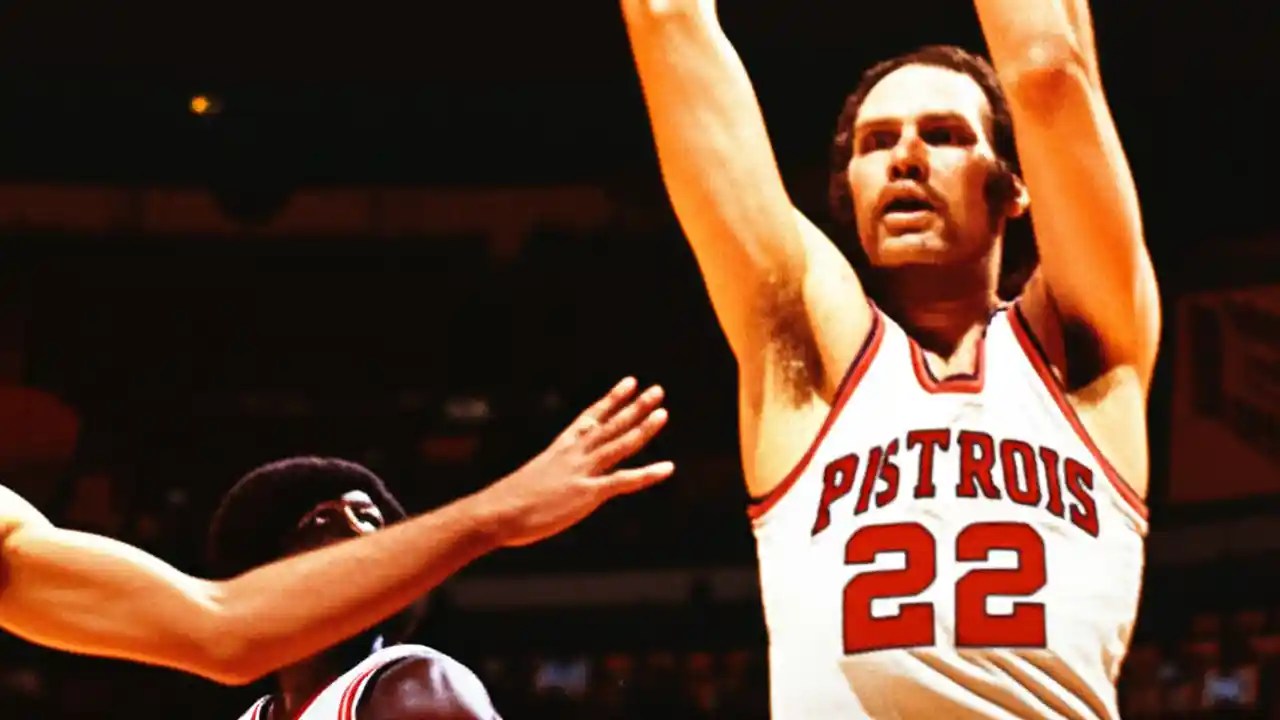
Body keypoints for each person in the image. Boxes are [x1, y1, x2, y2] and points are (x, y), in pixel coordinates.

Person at [621, 0, 1156, 717]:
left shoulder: (1084, 349)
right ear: (850, 190)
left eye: (943, 134)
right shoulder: (806, 356)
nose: (905, 156)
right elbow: (667, 20)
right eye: (876, 143)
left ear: (1016, 185)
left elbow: (1048, 70)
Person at [0, 377, 672, 686]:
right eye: (319, 520)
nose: (345, 526)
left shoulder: (413, 687)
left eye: (361, 518)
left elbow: (220, 628)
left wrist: (493, 514)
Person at [210, 458, 500, 720]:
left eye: (370, 520)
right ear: (269, 572)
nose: (359, 530)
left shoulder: (418, 686)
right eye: (321, 520)